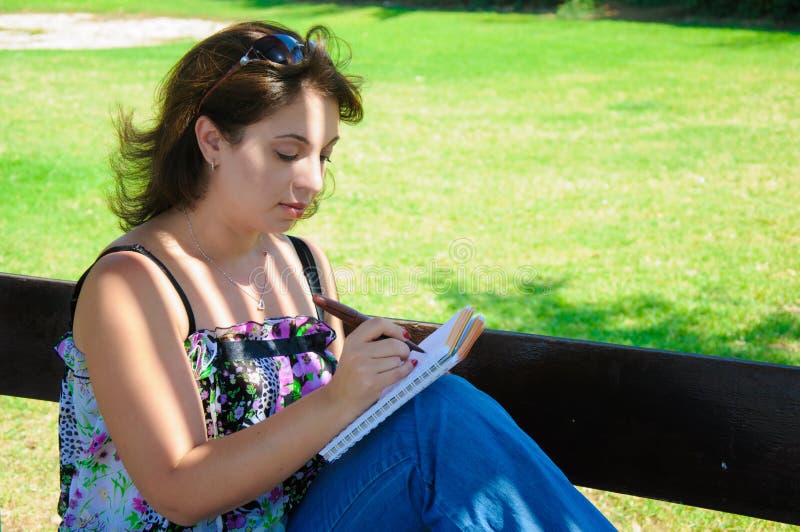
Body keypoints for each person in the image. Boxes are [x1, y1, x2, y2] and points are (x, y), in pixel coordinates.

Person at [55, 20, 615, 531]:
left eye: (324, 155)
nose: (314, 181)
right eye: (287, 152)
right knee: (440, 423)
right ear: (211, 141)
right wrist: (339, 400)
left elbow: (336, 440)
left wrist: (386, 380)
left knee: (440, 408)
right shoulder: (131, 285)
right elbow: (176, 490)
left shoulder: (301, 262)